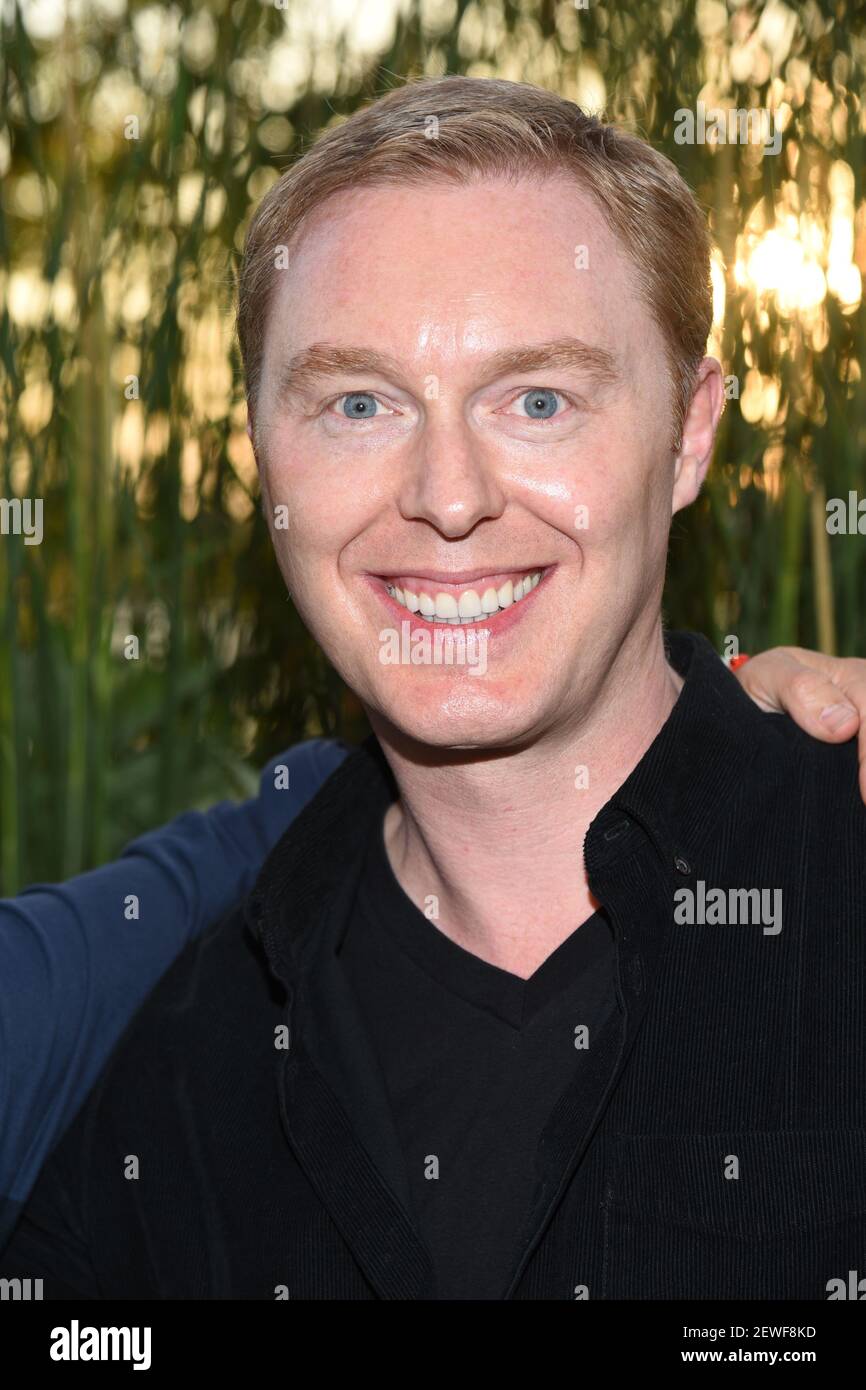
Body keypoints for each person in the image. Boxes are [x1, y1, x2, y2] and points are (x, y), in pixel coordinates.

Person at [3, 76, 865, 1300]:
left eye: (536, 400)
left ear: (688, 433)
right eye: (358, 404)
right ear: (262, 457)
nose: (448, 496)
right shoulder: (177, 1065)